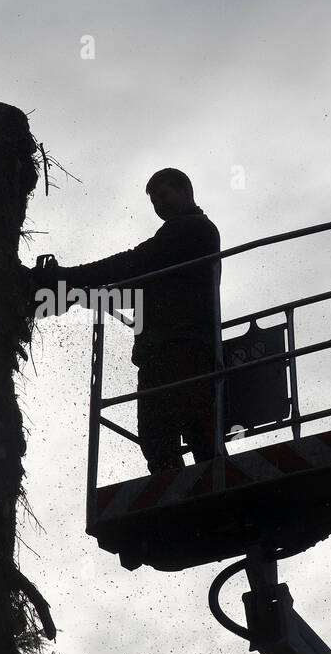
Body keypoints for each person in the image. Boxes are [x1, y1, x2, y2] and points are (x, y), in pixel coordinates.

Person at [33, 169, 222, 473]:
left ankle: (210, 496)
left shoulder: (192, 229)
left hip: (185, 349)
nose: (160, 203)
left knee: (197, 435)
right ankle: (182, 499)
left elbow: (132, 263)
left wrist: (66, 279)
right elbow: (132, 289)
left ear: (186, 191)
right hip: (159, 353)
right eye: (154, 200)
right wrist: (71, 295)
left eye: (164, 194)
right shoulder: (178, 245)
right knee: (157, 441)